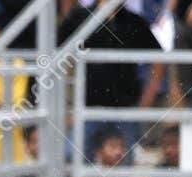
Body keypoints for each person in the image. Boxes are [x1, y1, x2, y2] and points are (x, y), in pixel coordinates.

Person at [58, 0, 164, 160]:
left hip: (125, 110)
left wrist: (147, 99)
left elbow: (159, 58)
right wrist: (66, 106)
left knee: (122, 164)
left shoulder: (133, 21)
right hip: (87, 109)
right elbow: (56, 55)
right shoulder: (80, 17)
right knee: (71, 156)